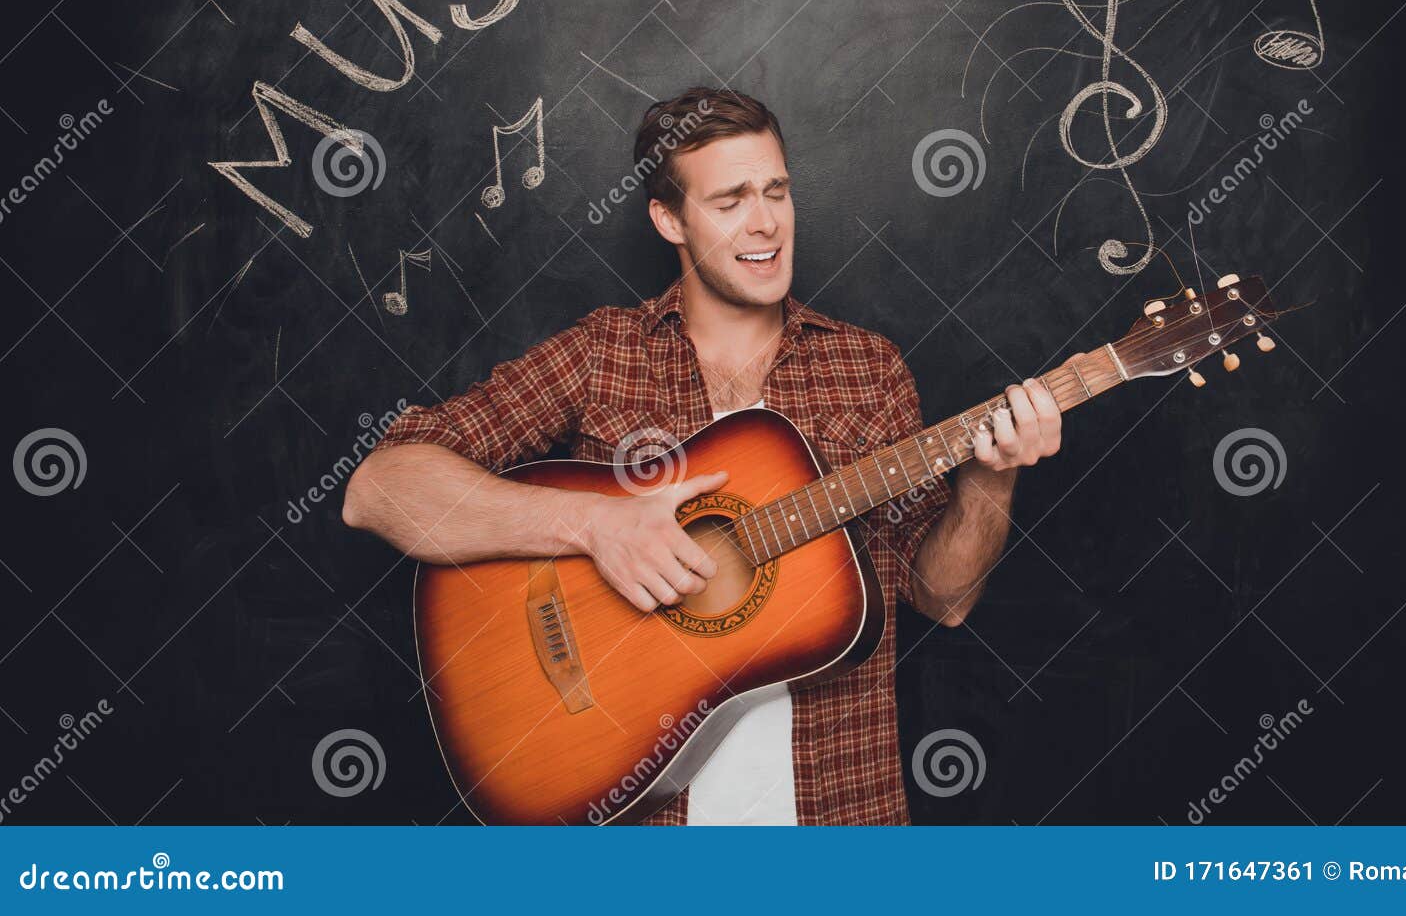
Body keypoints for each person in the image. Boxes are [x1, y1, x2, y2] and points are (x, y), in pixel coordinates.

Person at [342, 86, 1062, 824]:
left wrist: (991, 477)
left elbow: (942, 600)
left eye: (776, 191)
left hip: (839, 820)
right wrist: (594, 526)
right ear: (668, 219)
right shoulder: (604, 352)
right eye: (730, 201)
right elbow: (378, 487)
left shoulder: (867, 369)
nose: (765, 223)